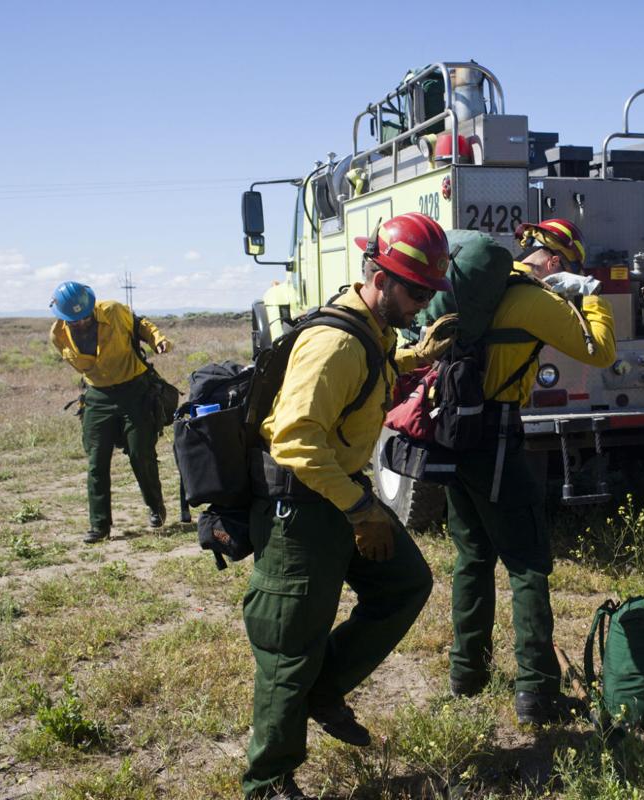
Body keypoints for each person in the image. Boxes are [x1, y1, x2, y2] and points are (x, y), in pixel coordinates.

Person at [241, 212, 457, 800]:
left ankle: (324, 688)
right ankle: (267, 782)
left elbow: (369, 372)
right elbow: (293, 439)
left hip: (338, 490)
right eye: (415, 291)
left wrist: (415, 357)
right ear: (380, 276)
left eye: (428, 294)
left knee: (404, 583)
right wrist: (362, 511)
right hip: (304, 504)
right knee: (290, 646)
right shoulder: (335, 341)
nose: (420, 304)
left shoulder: (371, 327)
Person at [446, 217, 616, 724]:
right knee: (528, 563)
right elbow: (599, 351)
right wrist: (592, 297)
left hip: (457, 432)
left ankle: (466, 674)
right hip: (497, 434)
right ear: (559, 263)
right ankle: (537, 692)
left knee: (472, 555)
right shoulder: (536, 300)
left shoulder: (481, 290)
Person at [49, 281, 171, 543]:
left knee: (141, 454)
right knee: (96, 462)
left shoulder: (114, 311)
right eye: (73, 320)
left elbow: (141, 325)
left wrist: (157, 340)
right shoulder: (57, 335)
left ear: (92, 307)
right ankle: (99, 526)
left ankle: (155, 507)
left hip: (135, 391)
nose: (80, 323)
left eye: (84, 317)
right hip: (98, 396)